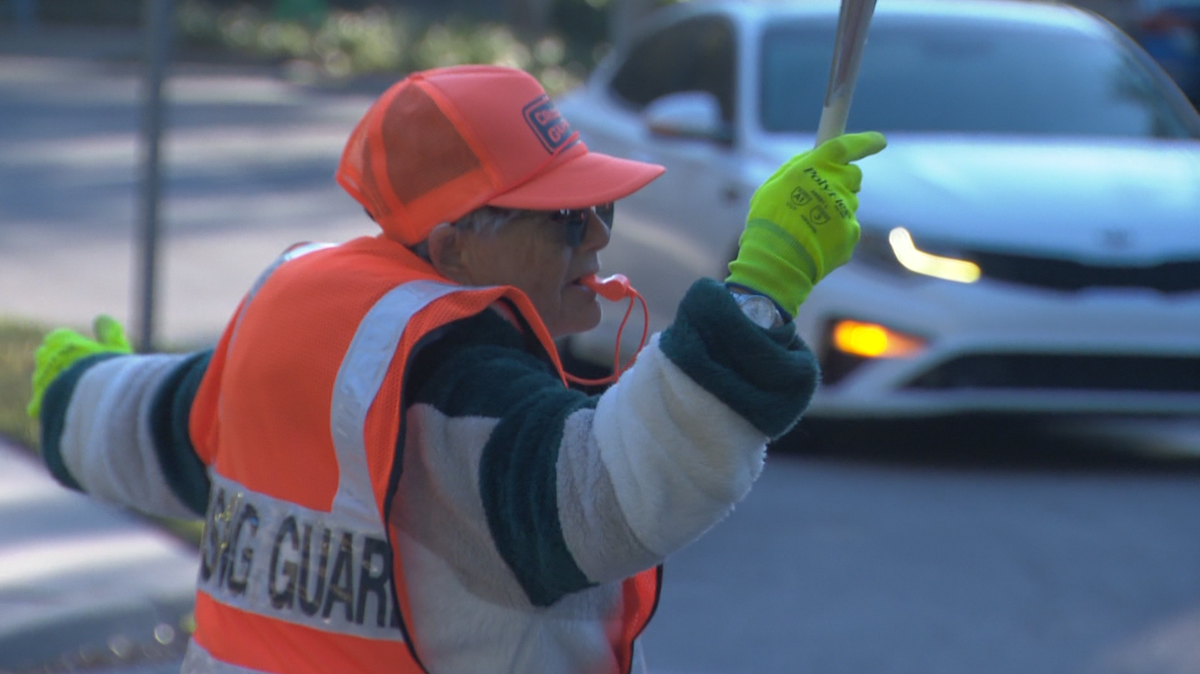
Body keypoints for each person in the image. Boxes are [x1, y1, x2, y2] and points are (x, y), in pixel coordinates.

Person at [27, 64, 886, 674]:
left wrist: (74, 389)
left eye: (599, 206)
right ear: (453, 246)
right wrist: (763, 291)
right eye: (564, 216)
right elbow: (611, 494)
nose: (595, 238)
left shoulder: (296, 326)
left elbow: (148, 427)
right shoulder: (457, 387)